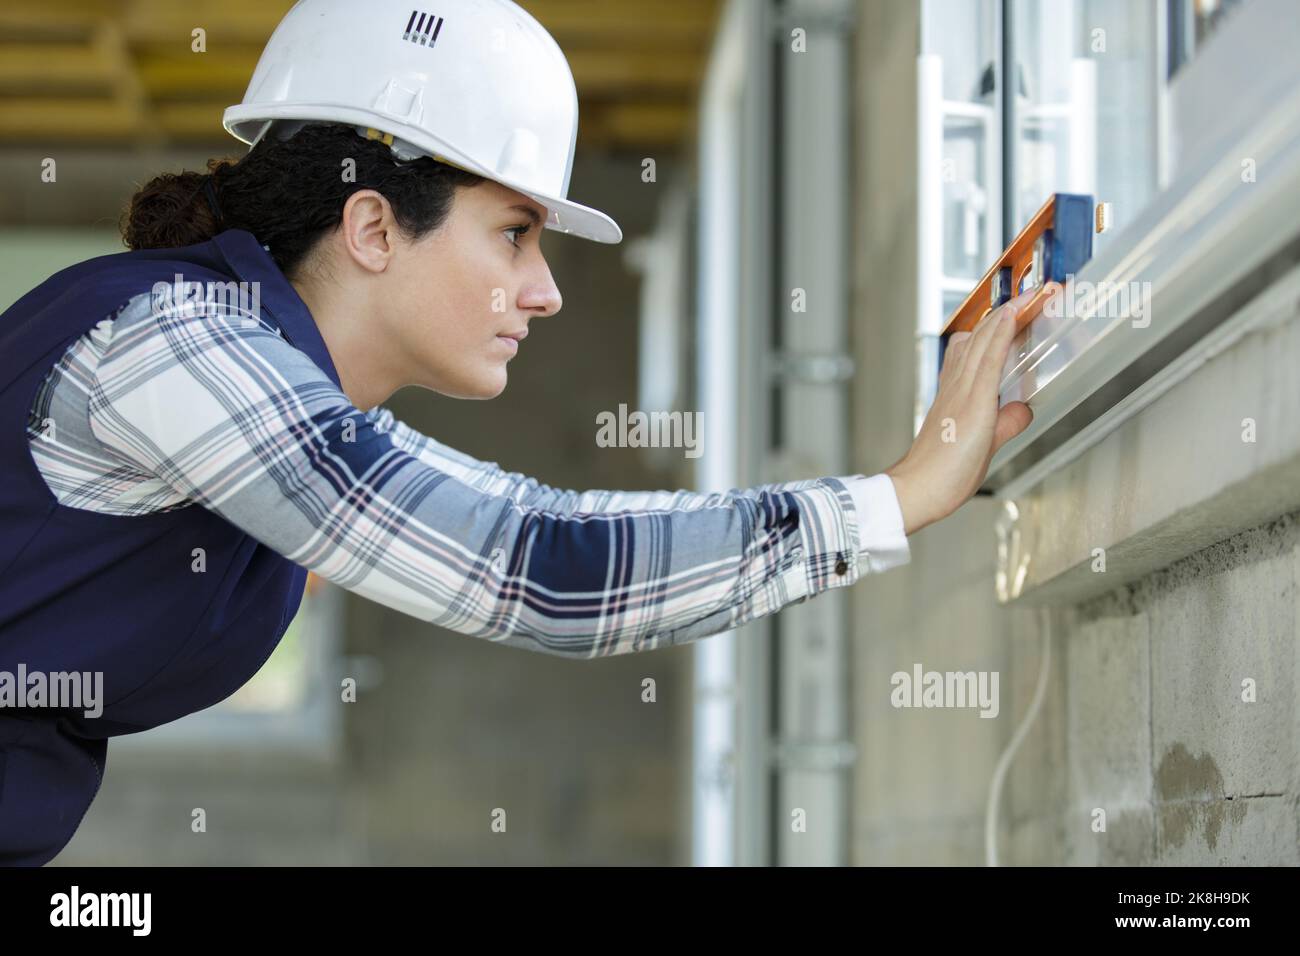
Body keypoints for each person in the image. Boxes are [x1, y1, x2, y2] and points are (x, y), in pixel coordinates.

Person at [0, 0, 1033, 865]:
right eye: (513, 233)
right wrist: (895, 498)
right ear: (371, 228)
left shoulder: (279, 398)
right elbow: (537, 564)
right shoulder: (178, 343)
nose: (542, 292)